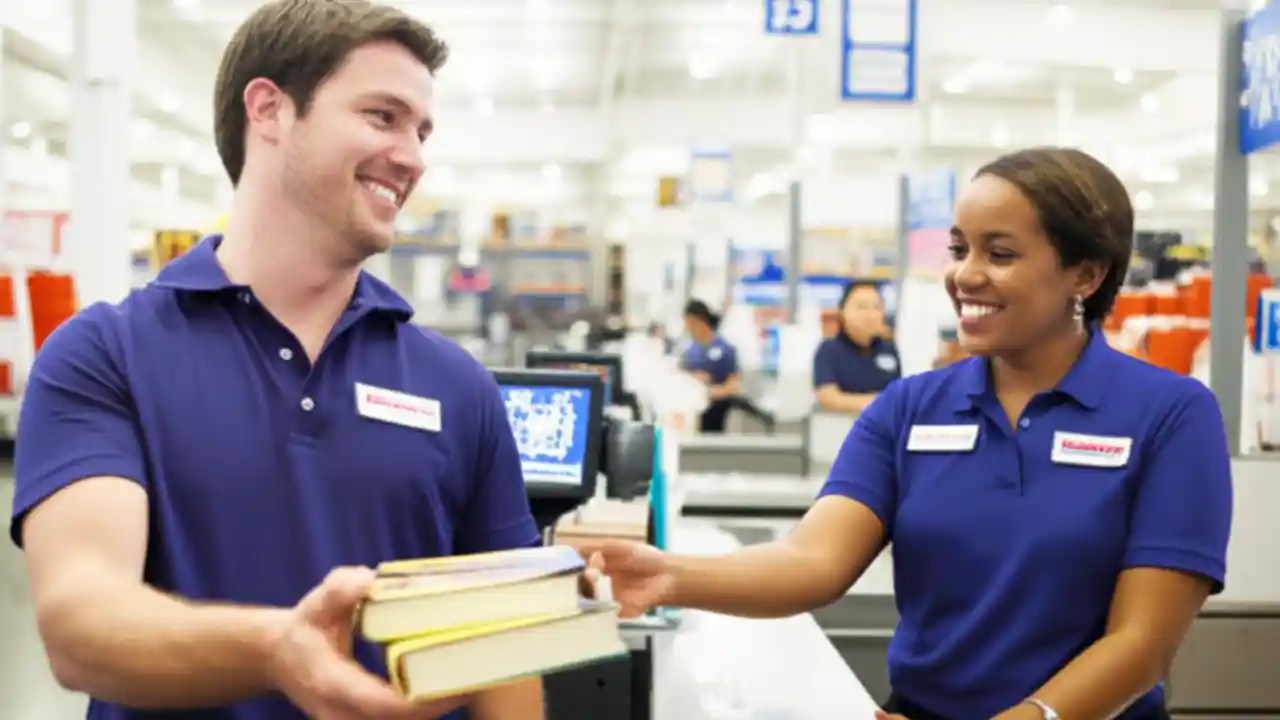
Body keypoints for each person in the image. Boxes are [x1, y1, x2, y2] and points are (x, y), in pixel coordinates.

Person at [9, 2, 545, 719]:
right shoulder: (105, 356)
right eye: (382, 116)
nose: (414, 156)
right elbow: (82, 624)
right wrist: (273, 651)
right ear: (268, 110)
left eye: (421, 131)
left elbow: (506, 652)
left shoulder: (458, 387)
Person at [580, 148, 1233, 720]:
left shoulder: (1170, 416)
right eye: (959, 249)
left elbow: (1143, 644)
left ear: (1085, 276)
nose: (964, 274)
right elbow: (813, 562)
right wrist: (670, 576)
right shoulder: (911, 409)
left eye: (999, 254)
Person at [813, 280, 901, 413]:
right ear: (842, 312)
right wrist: (880, 403)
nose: (870, 315)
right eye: (861, 307)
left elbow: (899, 396)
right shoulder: (829, 350)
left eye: (876, 307)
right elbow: (829, 398)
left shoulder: (888, 348)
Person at [678, 299, 741, 433]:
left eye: (689, 323)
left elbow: (733, 385)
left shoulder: (724, 349)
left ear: (699, 320)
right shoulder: (689, 351)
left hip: (716, 415)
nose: (687, 328)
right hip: (691, 416)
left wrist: (710, 391)